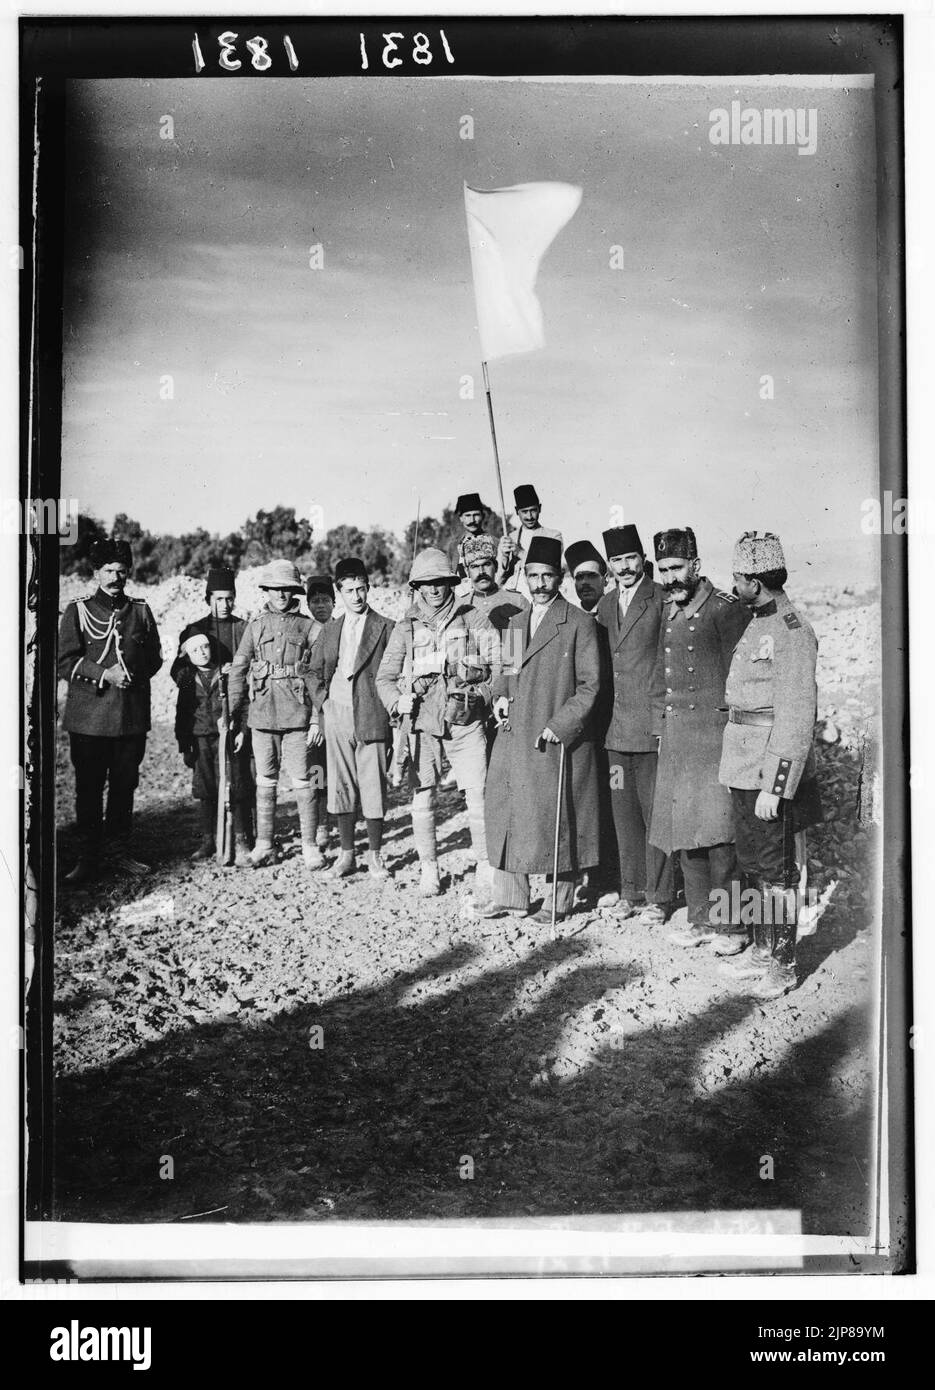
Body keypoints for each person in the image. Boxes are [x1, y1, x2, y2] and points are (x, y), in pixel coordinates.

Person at [716, 532, 823, 999]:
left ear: (756, 582)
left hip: (767, 771)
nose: (733, 585)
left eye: (738, 578)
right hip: (743, 763)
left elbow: (797, 717)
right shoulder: (758, 620)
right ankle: (762, 952)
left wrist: (775, 786)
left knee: (777, 872)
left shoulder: (792, 632)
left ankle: (782, 965)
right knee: (755, 866)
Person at [482, 535, 602, 924]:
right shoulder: (517, 622)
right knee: (507, 809)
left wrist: (561, 725)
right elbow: (509, 672)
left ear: (560, 577)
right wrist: (500, 696)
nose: (539, 584)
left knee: (559, 813)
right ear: (524, 575)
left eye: (547, 576)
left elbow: (590, 686)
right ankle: (510, 896)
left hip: (553, 739)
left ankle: (557, 902)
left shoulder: (578, 623)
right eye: (532, 575)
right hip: (515, 734)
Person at [648, 528, 752, 947]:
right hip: (678, 741)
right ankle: (700, 919)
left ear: (696, 566)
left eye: (676, 568)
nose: (670, 577)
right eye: (664, 570)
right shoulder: (669, 610)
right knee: (686, 832)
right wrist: (661, 731)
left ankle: (732, 926)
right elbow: (661, 675)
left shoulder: (725, 610)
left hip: (716, 739)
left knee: (721, 836)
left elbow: (742, 680)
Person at [376, 547, 496, 900]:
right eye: (426, 584)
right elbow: (384, 678)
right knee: (422, 796)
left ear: (451, 582)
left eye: (440, 583)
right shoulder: (405, 627)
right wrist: (397, 701)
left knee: (477, 795)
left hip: (465, 720)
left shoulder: (473, 617)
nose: (433, 590)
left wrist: (482, 697)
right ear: (416, 586)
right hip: (422, 722)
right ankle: (430, 868)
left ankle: (485, 867)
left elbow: (502, 666)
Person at [57, 537, 163, 883]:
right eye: (108, 571)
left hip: (129, 719)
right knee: (88, 789)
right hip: (89, 719)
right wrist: (104, 673)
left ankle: (119, 854)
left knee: (124, 786)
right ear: (95, 572)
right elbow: (65, 661)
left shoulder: (141, 610)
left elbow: (155, 657)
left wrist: (135, 675)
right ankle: (87, 858)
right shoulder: (78, 610)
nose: (115, 577)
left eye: (121, 570)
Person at [596, 525, 676, 926]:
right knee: (623, 812)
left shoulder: (659, 598)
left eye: (630, 559)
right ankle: (631, 890)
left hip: (651, 728)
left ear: (642, 558)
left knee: (654, 812)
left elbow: (669, 662)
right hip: (616, 733)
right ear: (609, 565)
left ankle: (660, 897)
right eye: (617, 561)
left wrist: (664, 719)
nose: (625, 567)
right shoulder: (607, 606)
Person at [227, 559, 320, 870]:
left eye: (288, 589)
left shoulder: (308, 627)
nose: (281, 595)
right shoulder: (255, 627)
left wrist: (318, 717)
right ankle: (265, 843)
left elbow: (321, 674)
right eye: (276, 589)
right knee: (265, 779)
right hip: (263, 715)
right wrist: (234, 712)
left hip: (297, 715)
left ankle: (309, 846)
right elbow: (239, 670)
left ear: (296, 592)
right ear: (266, 589)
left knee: (302, 780)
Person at [307, 558, 395, 880]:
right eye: (349, 590)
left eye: (361, 589)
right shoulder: (331, 630)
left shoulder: (387, 627)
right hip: (338, 713)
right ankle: (346, 855)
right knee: (340, 784)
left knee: (373, 786)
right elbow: (311, 670)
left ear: (369, 587)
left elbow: (395, 672)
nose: (356, 596)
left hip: (372, 713)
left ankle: (375, 855)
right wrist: (325, 703)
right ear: (339, 593)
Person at [174, 633, 252, 865]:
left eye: (206, 647)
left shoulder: (227, 675)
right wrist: (184, 745)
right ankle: (208, 840)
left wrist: (241, 731)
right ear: (188, 655)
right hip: (200, 741)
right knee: (205, 788)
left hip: (226, 739)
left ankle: (240, 840)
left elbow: (244, 704)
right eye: (195, 650)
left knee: (234, 785)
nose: (202, 652)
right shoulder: (188, 679)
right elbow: (182, 713)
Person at [170, 566, 247, 684]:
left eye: (229, 599)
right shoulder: (194, 630)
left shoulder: (244, 628)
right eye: (219, 599)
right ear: (208, 600)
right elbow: (178, 672)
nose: (225, 605)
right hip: (203, 697)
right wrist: (213, 674)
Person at [305, 573, 337, 850]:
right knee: (317, 772)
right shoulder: (306, 633)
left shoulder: (341, 630)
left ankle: (336, 818)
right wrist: (314, 717)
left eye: (325, 600)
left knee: (337, 771)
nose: (320, 606)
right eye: (315, 601)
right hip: (312, 715)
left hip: (336, 712)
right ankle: (321, 826)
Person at [497, 483, 563, 598]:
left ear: (540, 508)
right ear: (517, 511)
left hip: (542, 594)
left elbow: (548, 565)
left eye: (533, 510)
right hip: (515, 595)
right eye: (524, 511)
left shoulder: (553, 536)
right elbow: (499, 578)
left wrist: (520, 553)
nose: (529, 516)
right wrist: (504, 558)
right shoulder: (510, 537)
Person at [462, 533, 529, 632]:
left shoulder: (517, 601)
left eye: (487, 564)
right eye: (474, 566)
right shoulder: (460, 606)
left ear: (496, 566)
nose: (481, 572)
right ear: (467, 571)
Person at [452, 493, 491, 581]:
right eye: (467, 516)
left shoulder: (494, 542)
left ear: (482, 516)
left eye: (476, 515)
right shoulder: (454, 546)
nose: (472, 520)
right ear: (461, 518)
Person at [564, 539, 608, 614]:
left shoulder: (619, 612)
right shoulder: (572, 618)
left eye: (592, 576)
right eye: (579, 577)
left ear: (605, 579)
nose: (585, 582)